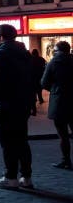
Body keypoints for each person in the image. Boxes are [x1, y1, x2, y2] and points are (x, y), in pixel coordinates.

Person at [0, 24, 35, 190]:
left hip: (6, 103)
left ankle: (10, 176)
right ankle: (26, 176)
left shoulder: (1, 54)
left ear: (0, 37)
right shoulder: (25, 53)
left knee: (7, 142)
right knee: (22, 140)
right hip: (23, 102)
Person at [41, 41, 73, 169]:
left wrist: (55, 89)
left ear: (57, 50)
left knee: (63, 135)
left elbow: (44, 82)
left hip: (59, 101)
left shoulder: (53, 62)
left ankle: (66, 160)